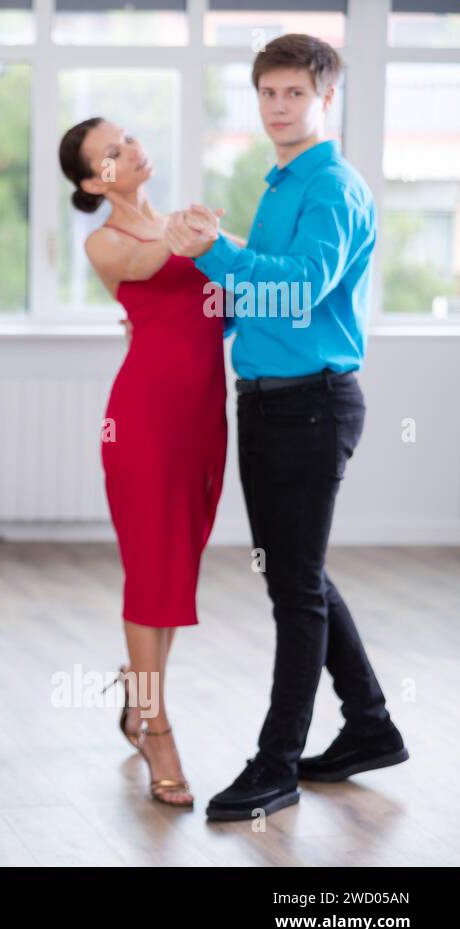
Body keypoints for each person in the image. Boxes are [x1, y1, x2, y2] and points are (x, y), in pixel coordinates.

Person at [163, 34, 408, 822]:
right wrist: (216, 260)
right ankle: (368, 724)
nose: (278, 107)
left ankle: (276, 765)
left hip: (309, 404)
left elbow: (299, 292)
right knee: (295, 574)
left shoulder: (331, 186)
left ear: (324, 98)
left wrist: (216, 255)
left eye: (294, 94)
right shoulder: (278, 185)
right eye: (267, 92)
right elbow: (255, 297)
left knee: (294, 587)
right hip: (270, 401)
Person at [59, 116, 231, 807]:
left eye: (126, 139)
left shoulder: (187, 222)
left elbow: (240, 288)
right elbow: (141, 266)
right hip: (143, 421)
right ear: (89, 181)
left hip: (203, 420)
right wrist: (192, 236)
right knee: (149, 572)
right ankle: (155, 725)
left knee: (176, 571)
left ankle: (138, 690)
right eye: (110, 152)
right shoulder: (105, 240)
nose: (128, 150)